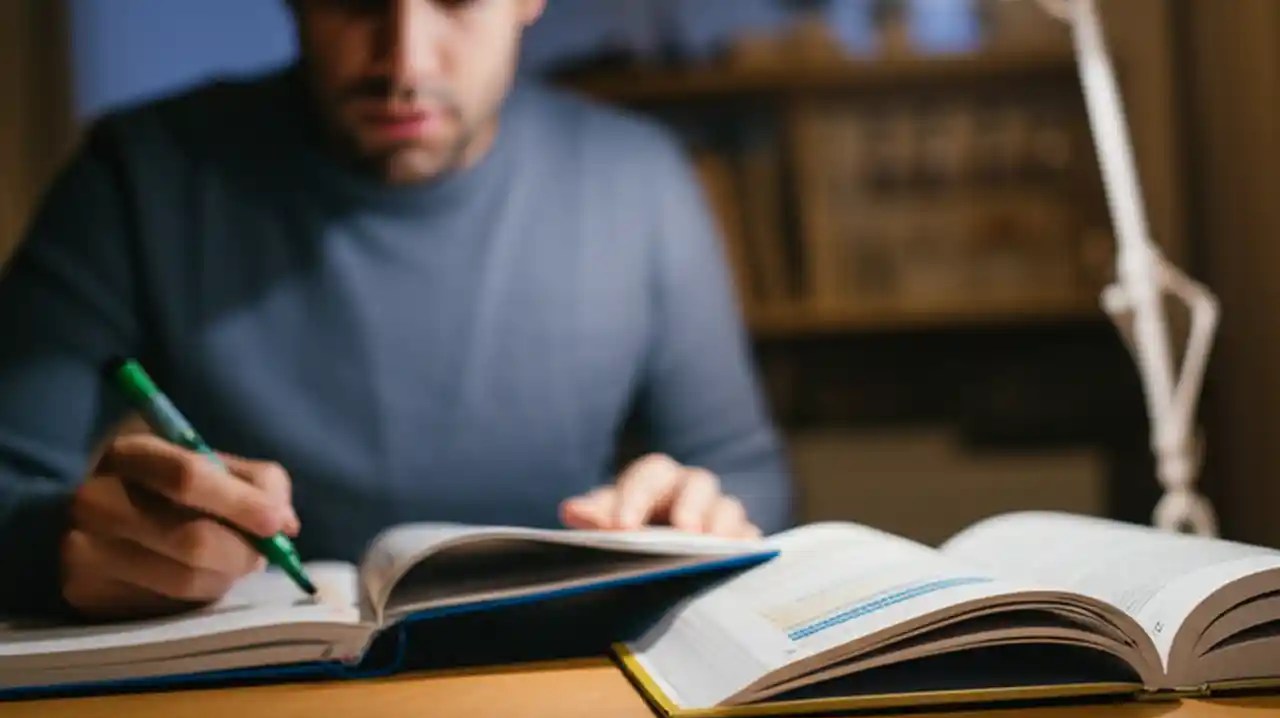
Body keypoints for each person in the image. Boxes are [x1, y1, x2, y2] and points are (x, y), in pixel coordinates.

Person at [0, 0, 791, 621]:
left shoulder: (639, 180)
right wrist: (63, 549)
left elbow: (748, 476)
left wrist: (699, 508)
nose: (405, 62)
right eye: (354, 0)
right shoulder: (138, 176)